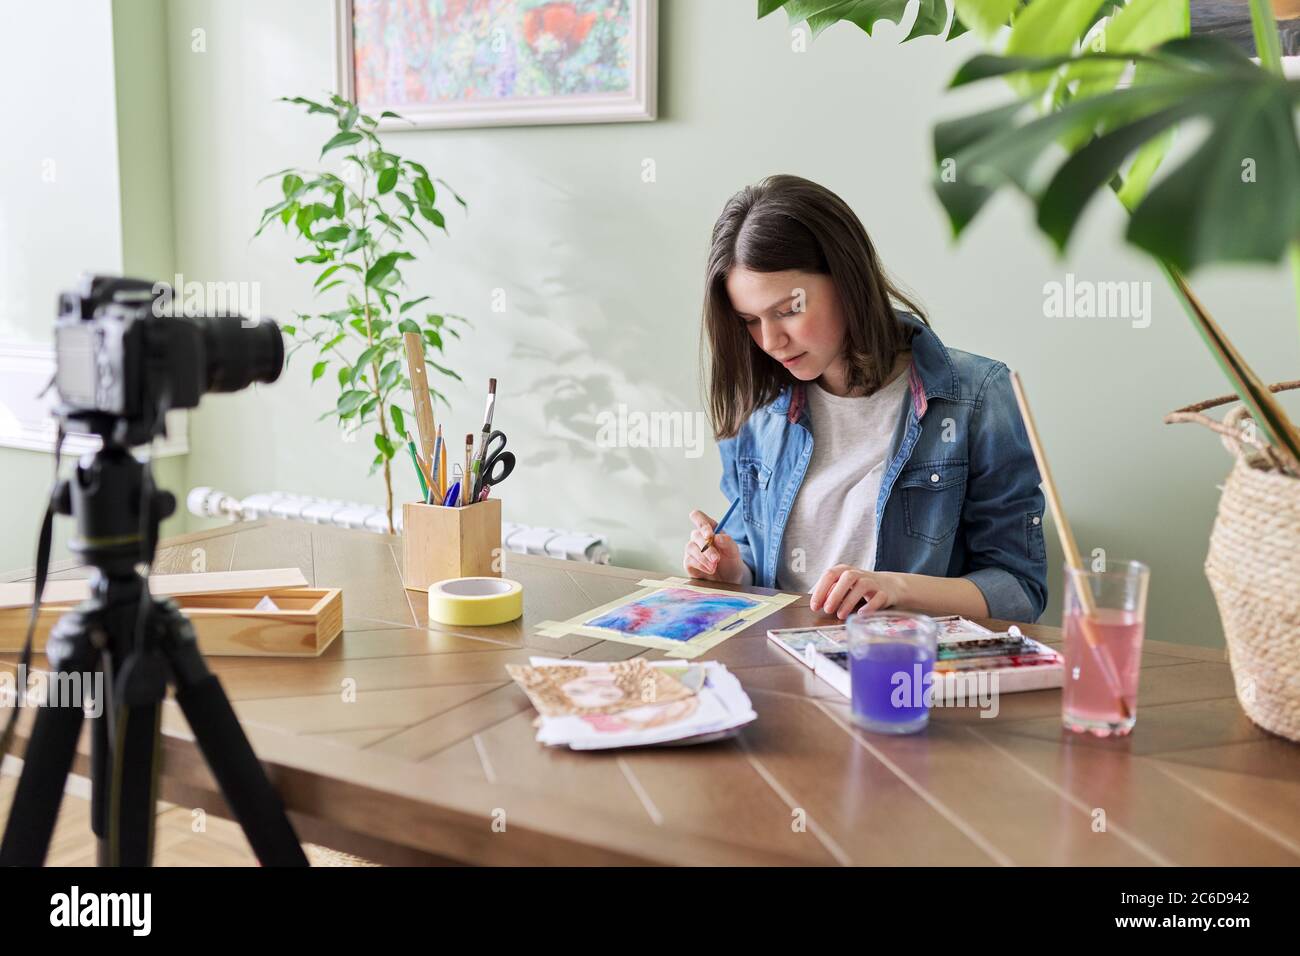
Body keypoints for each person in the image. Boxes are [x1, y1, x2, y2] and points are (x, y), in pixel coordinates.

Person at [683, 174, 1047, 623]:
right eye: (750, 321)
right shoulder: (758, 408)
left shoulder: (977, 396)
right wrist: (730, 569)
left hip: (901, 673)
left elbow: (1021, 590)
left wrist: (894, 588)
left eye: (788, 310)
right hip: (778, 664)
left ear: (847, 278)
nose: (771, 341)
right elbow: (757, 568)